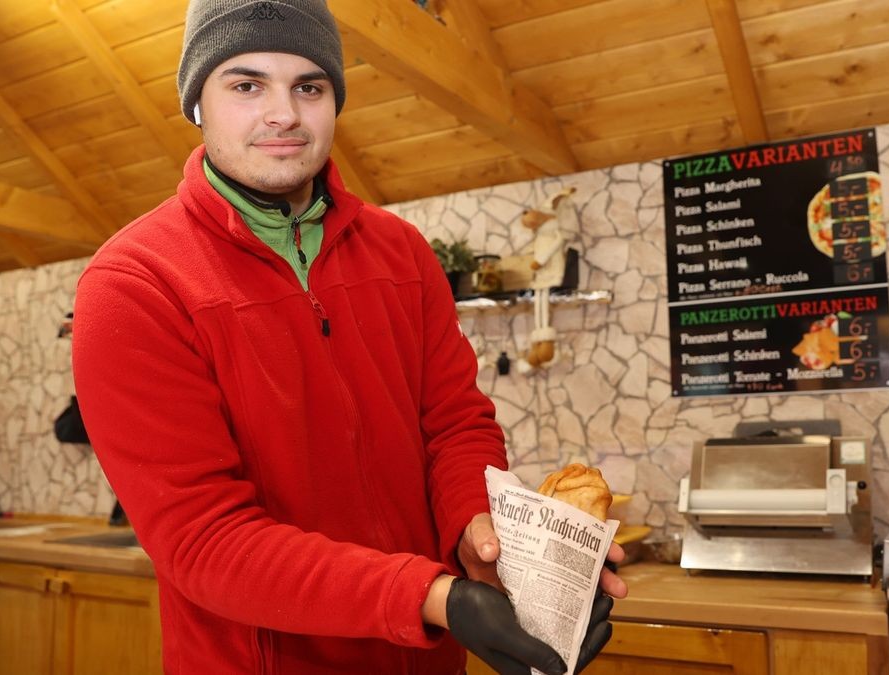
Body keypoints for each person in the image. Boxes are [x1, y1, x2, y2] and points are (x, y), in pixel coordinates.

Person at [70, 1, 626, 673]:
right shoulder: (133, 285)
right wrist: (432, 597)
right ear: (196, 103)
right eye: (247, 85)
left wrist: (478, 534)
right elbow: (203, 540)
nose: (283, 114)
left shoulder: (402, 252)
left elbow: (455, 425)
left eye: (309, 86)